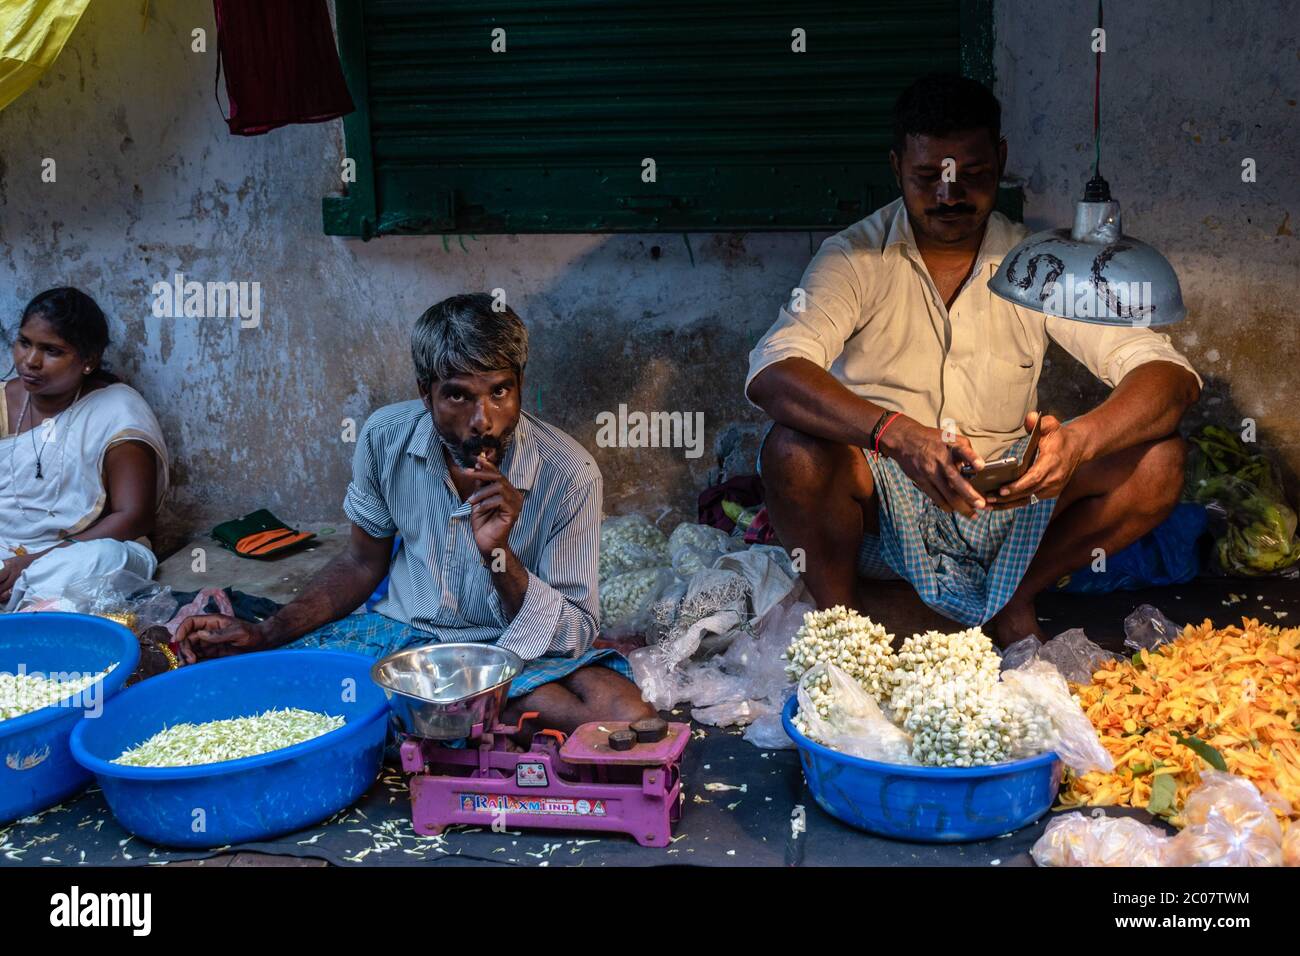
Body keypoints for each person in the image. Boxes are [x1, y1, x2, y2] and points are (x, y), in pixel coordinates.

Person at [746, 74, 1201, 646]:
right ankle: (843, 628)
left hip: (1008, 496)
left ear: (1001, 160)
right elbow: (773, 371)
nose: (949, 195)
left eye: (973, 175)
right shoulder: (854, 257)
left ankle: (1013, 596)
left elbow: (1169, 377)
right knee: (794, 450)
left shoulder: (1039, 266)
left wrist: (1079, 442)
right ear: (895, 167)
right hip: (887, 497)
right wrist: (900, 436)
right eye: (926, 177)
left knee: (1159, 459)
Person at [176, 294, 654, 735]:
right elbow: (362, 563)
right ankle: (448, 719)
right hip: (404, 642)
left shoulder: (569, 474)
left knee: (622, 717)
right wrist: (268, 630)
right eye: (458, 396)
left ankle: (413, 718)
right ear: (425, 393)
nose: (482, 419)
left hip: (513, 651)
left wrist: (500, 556)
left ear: (521, 385)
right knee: (257, 685)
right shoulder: (386, 436)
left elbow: (574, 632)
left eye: (499, 392)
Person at [1, 288, 169, 610]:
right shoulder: (3, 400)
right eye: (25, 343)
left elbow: (134, 517)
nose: (31, 361)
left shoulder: (116, 412)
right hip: (6, 550)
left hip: (76, 555)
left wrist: (34, 561)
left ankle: (32, 611)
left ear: (88, 360)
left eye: (51, 351)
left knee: (104, 559)